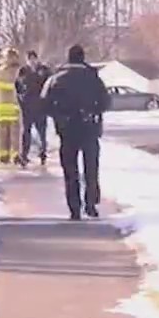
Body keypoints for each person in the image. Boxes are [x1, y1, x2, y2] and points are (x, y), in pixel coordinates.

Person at [42, 43, 111, 219]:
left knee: (70, 171)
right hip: (89, 128)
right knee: (91, 168)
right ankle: (90, 204)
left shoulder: (56, 78)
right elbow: (106, 102)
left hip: (67, 130)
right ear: (83, 57)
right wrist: (94, 111)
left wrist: (59, 116)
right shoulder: (93, 78)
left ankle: (74, 208)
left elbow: (44, 102)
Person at [0, 48, 25, 166]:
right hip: (12, 106)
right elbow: (21, 89)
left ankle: (3, 156)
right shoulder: (16, 72)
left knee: (2, 133)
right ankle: (15, 155)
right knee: (15, 132)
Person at [16, 50, 53, 165]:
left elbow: (50, 85)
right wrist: (21, 99)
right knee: (26, 131)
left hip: (40, 105)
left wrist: (48, 102)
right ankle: (24, 154)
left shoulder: (44, 70)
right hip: (27, 105)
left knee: (42, 131)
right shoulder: (22, 71)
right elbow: (18, 86)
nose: (32, 61)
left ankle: (42, 152)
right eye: (29, 59)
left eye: (33, 58)